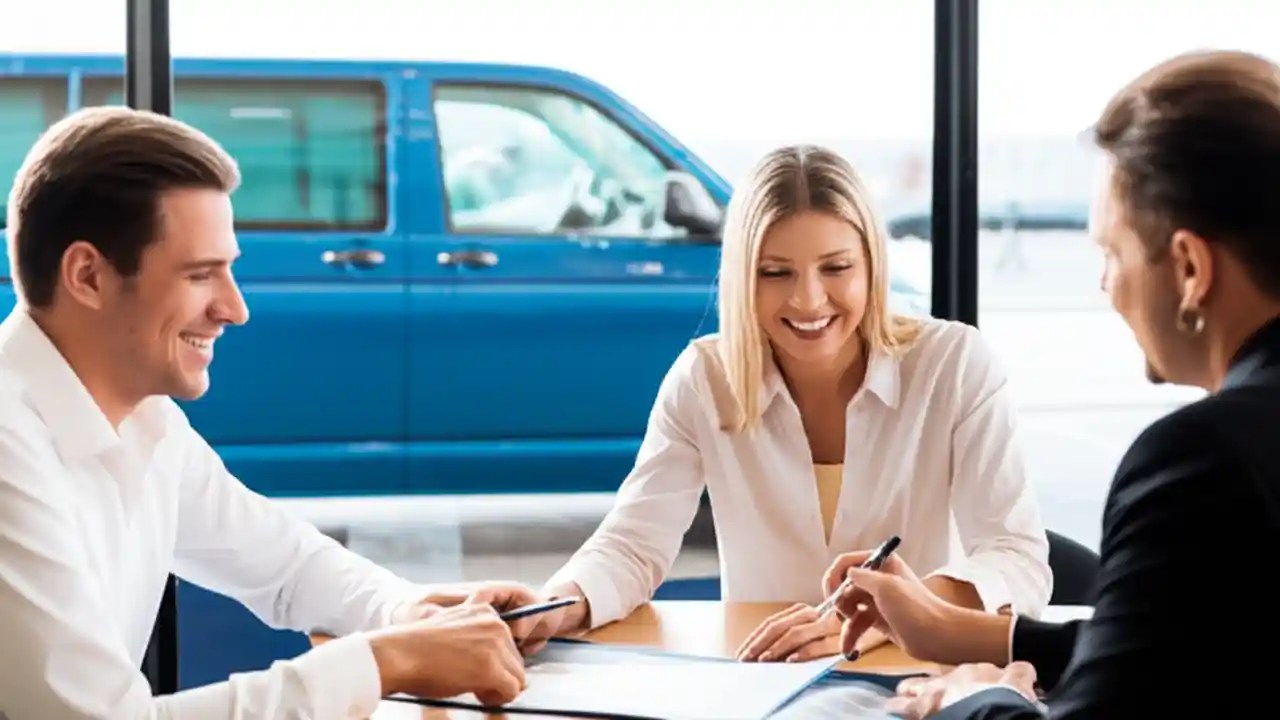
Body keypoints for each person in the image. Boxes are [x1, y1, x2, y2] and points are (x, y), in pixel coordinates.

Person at [0, 106, 560, 719]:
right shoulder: (10, 449)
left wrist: (411, 615)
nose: (234, 309)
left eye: (229, 271)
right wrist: (385, 661)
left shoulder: (145, 421)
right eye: (200, 275)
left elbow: (285, 564)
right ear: (88, 276)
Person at [824, 49, 1280, 719]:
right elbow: (1183, 645)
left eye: (1111, 253)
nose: (1105, 285)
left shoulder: (1204, 461)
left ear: (1189, 269)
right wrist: (972, 633)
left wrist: (974, 698)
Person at [535, 144, 1052, 662]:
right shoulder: (704, 378)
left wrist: (896, 615)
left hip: (918, 677)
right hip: (767, 680)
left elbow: (1017, 559)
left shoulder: (953, 364)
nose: (808, 300)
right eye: (775, 273)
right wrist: (549, 607)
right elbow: (632, 547)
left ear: (872, 265)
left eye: (836, 268)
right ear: (743, 278)